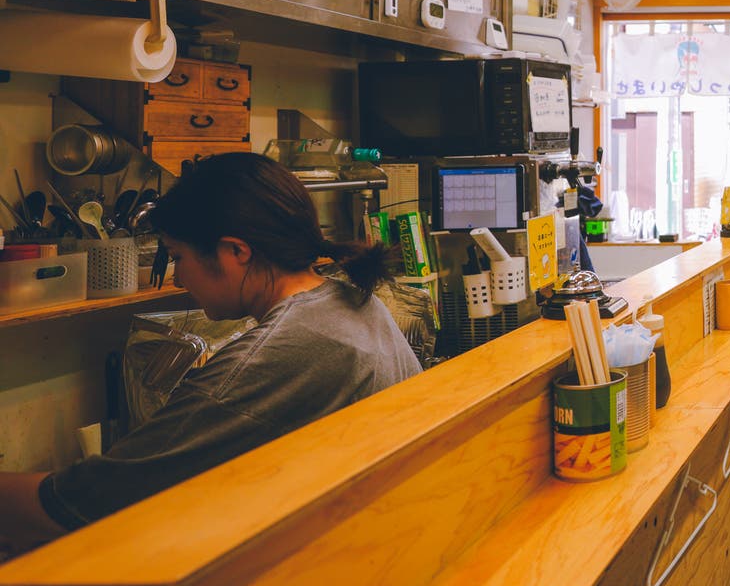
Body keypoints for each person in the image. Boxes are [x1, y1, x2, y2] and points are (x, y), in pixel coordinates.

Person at [0, 153, 420, 552]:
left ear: (236, 251)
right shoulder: (352, 301)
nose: (179, 278)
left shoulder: (273, 357)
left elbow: (84, 505)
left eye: (179, 257)